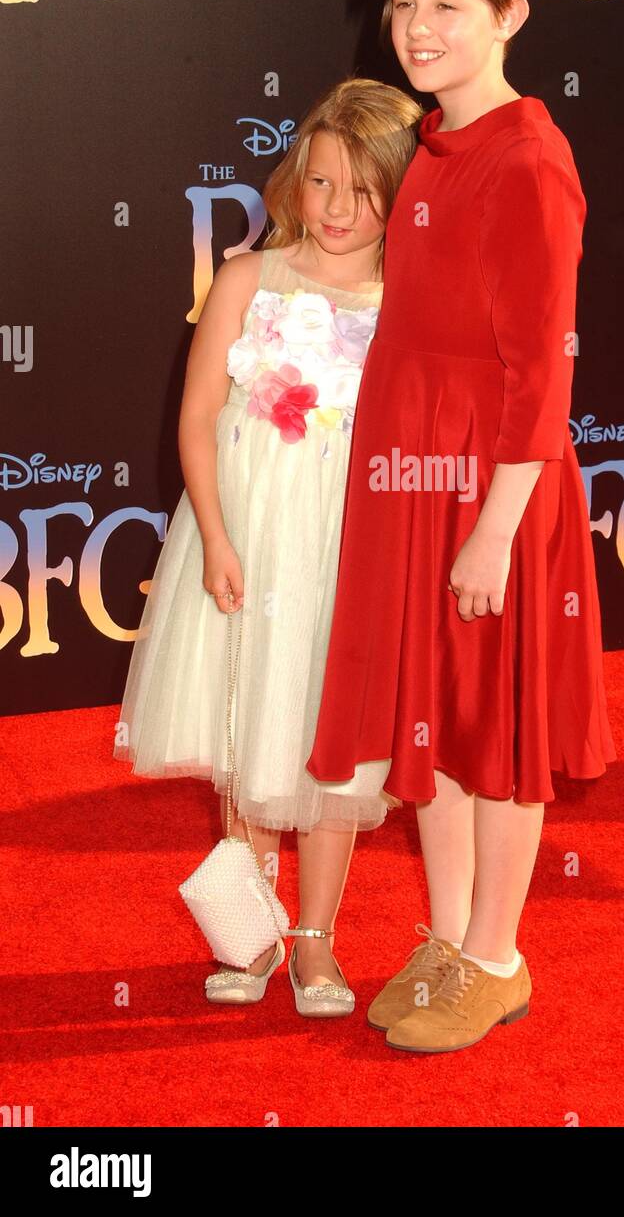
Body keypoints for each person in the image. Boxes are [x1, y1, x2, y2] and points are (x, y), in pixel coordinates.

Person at [305, 0, 618, 1051]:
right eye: (404, 5)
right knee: (432, 722)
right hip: (416, 479)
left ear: (509, 15)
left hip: (494, 491)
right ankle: (444, 938)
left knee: (497, 730)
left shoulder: (529, 160)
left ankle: (495, 954)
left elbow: (542, 371)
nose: (417, 27)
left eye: (446, 6)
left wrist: (493, 530)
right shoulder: (430, 141)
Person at [113, 77, 422, 1010]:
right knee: (248, 727)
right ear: (296, 180)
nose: (338, 208)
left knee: (332, 744)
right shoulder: (248, 278)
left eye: (363, 190)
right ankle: (249, 937)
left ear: (401, 194)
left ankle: (317, 941)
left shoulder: (409, 299)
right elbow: (198, 418)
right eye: (321, 182)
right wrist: (214, 537)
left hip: (347, 552)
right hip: (247, 536)